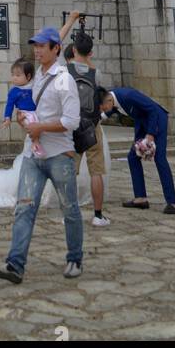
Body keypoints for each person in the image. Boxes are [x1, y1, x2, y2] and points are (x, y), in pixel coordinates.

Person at [0, 27, 83, 284]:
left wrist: (41, 127)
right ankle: (15, 265)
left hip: (59, 154)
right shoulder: (36, 78)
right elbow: (33, 111)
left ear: (56, 49)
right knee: (24, 208)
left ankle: (75, 258)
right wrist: (24, 120)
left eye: (43, 46)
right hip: (33, 154)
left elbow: (72, 121)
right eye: (36, 46)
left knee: (70, 208)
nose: (37, 50)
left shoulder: (64, 80)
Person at [101, 86, 175, 214]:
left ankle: (172, 202)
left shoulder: (128, 95)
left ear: (109, 100)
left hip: (156, 120)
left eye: (103, 107)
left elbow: (152, 110)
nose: (103, 109)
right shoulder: (112, 98)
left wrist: (151, 134)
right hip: (142, 123)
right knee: (132, 157)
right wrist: (100, 117)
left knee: (160, 159)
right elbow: (113, 109)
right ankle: (140, 198)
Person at [66, 32, 111, 227]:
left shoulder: (65, 71)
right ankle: (98, 215)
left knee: (69, 171)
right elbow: (102, 98)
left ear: (74, 50)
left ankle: (68, 214)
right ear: (91, 52)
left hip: (72, 126)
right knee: (96, 171)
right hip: (92, 127)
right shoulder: (97, 73)